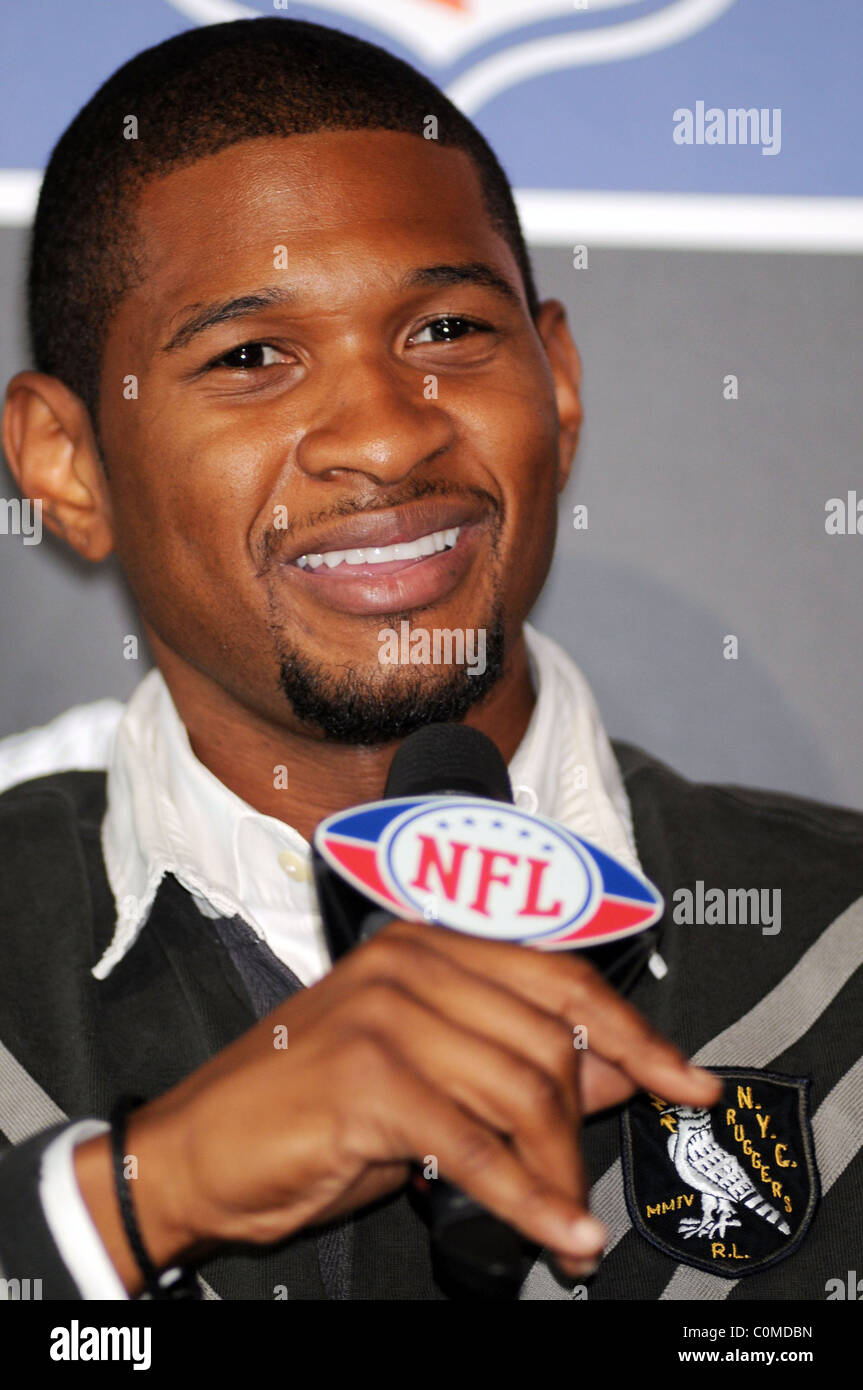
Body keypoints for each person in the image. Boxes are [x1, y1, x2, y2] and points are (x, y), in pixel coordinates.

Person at [0, 17, 859, 1303]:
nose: (387, 436)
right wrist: (131, 1201)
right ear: (67, 467)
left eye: (446, 330)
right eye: (250, 357)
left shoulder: (836, 946)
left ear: (556, 382)